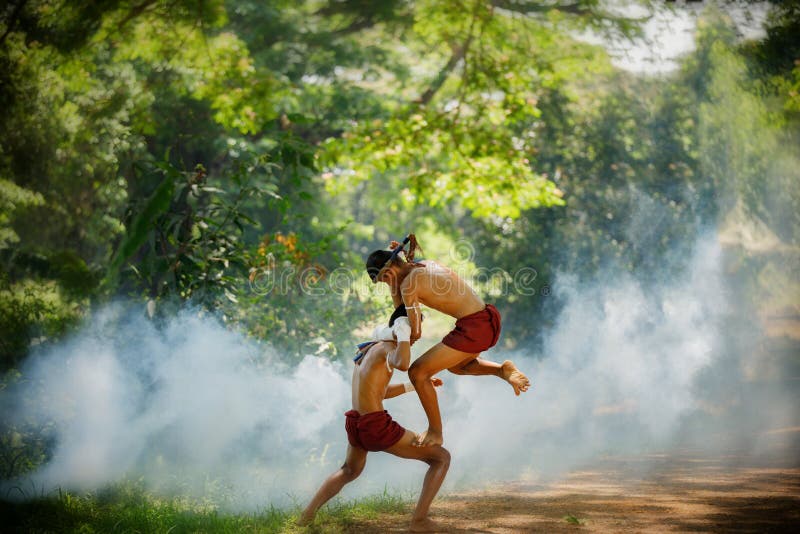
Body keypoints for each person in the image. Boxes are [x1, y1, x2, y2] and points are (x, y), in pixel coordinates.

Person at [365, 234, 531, 448]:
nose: (387, 284)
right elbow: (402, 311)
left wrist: (400, 345)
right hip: (486, 318)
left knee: (417, 372)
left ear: (389, 272)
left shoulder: (408, 286)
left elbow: (413, 330)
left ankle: (436, 432)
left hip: (475, 326)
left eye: (384, 280)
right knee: (457, 367)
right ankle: (502, 370)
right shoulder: (423, 265)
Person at [299, 311, 450, 532]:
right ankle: (419, 521)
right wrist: (404, 336)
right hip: (375, 426)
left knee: (349, 471)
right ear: (403, 327)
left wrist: (410, 387)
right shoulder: (389, 349)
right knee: (441, 458)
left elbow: (379, 392)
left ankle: (306, 517)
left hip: (355, 422)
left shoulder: (368, 349)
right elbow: (404, 363)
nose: (418, 334)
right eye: (414, 328)